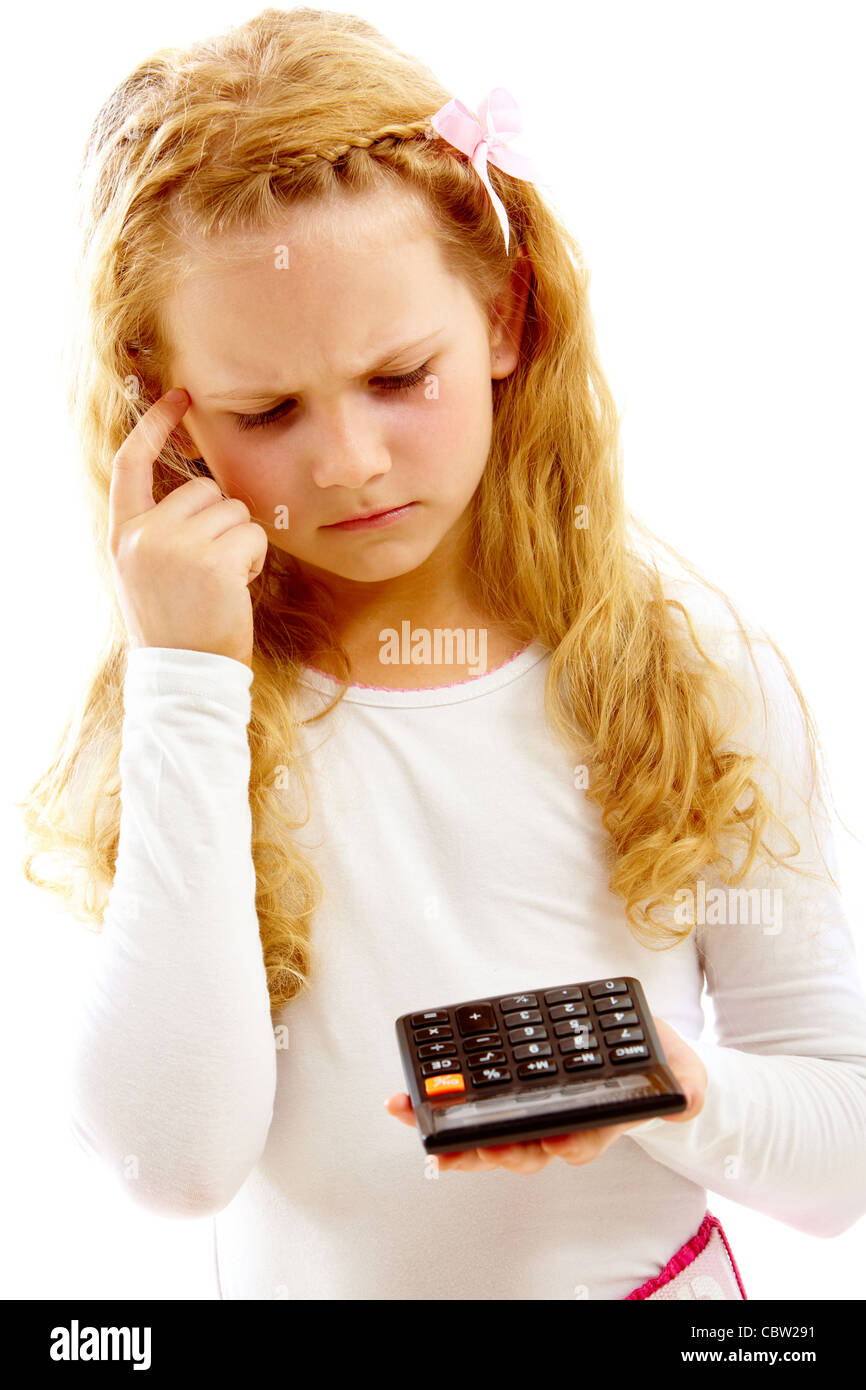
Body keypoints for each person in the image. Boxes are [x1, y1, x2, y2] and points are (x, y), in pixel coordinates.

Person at [20, 7, 866, 1300]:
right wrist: (186, 682)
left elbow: (838, 1155)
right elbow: (171, 1160)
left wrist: (668, 1084)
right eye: (267, 409)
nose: (348, 459)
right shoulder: (182, 697)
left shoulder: (684, 666)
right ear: (165, 409)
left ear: (505, 316)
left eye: (400, 377)